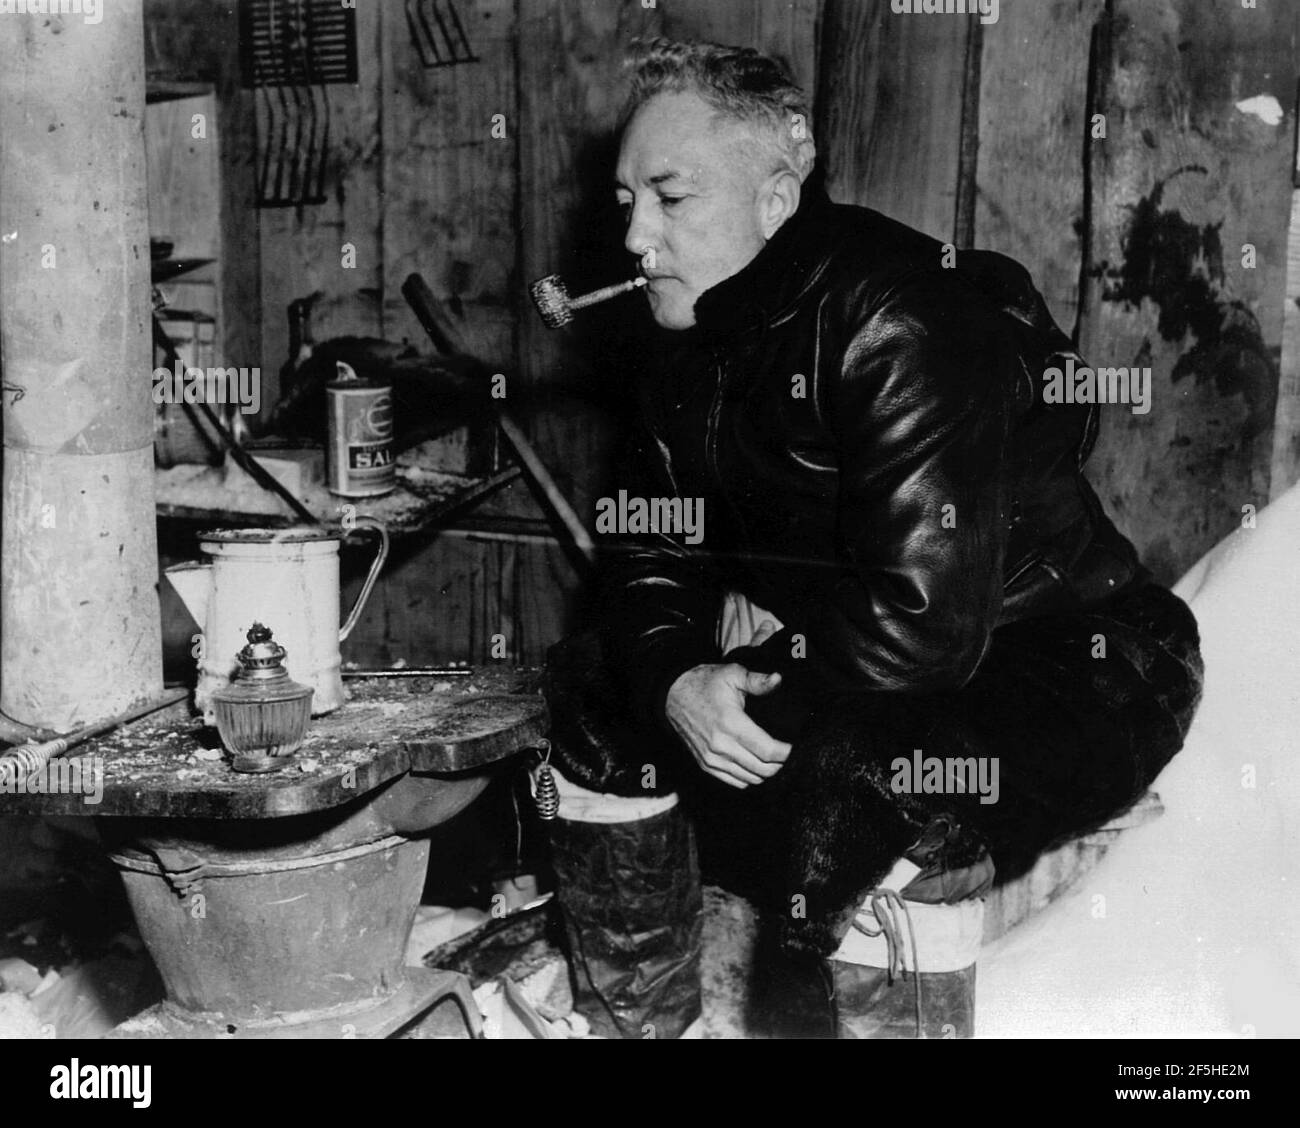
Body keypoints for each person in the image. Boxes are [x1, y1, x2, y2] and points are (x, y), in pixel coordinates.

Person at [542, 37, 1203, 1039]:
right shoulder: (687, 343)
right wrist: (680, 679)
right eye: (629, 201)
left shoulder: (898, 318)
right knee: (595, 686)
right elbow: (649, 558)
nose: (634, 237)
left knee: (865, 777)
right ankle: (637, 1024)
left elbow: (920, 622)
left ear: (777, 191)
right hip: (858, 658)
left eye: (669, 199)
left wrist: (753, 699)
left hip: (1077, 661)